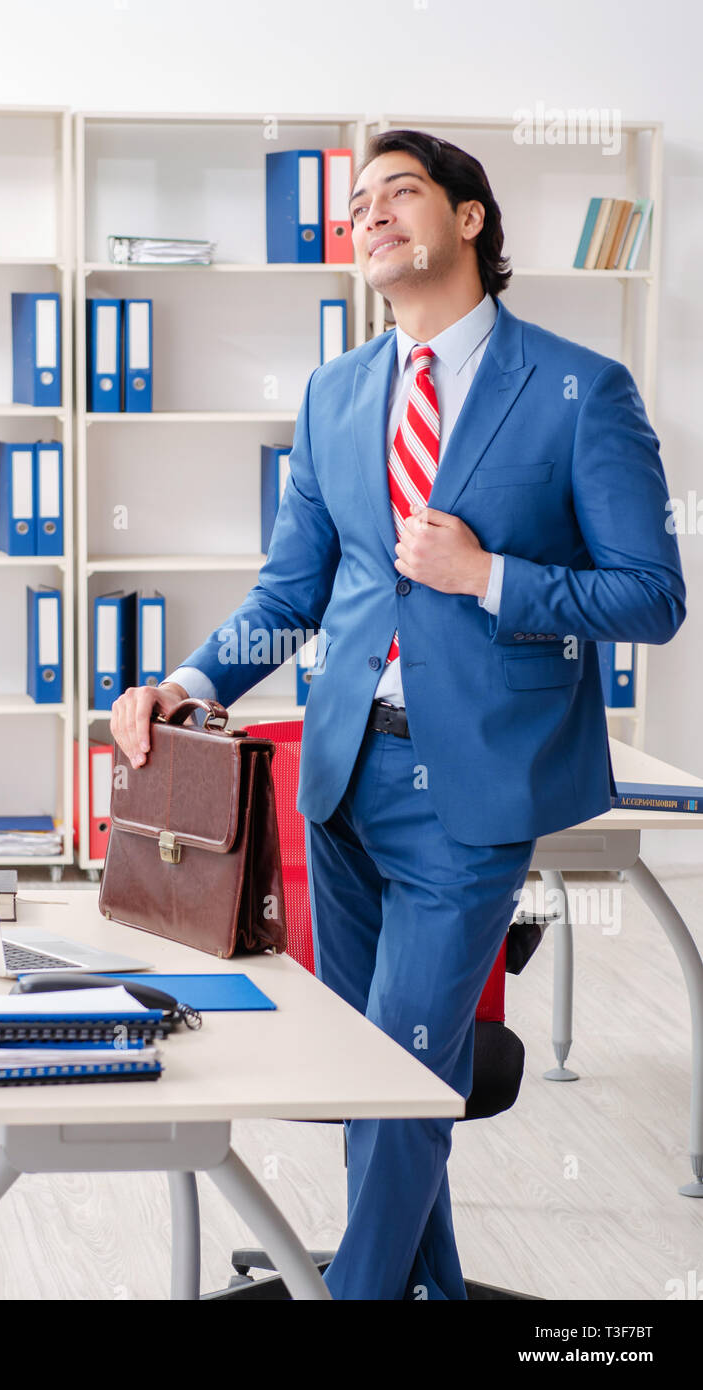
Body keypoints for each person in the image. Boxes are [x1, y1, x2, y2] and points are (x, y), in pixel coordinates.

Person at [110, 129, 686, 1300]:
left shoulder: (580, 390)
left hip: (472, 791)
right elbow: (293, 591)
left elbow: (655, 597)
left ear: (470, 218)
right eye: (355, 203)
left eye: (398, 193)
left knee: (413, 1067)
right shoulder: (337, 391)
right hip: (339, 775)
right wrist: (196, 682)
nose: (365, 215)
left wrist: (492, 579)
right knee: (370, 1071)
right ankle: (436, 1291)